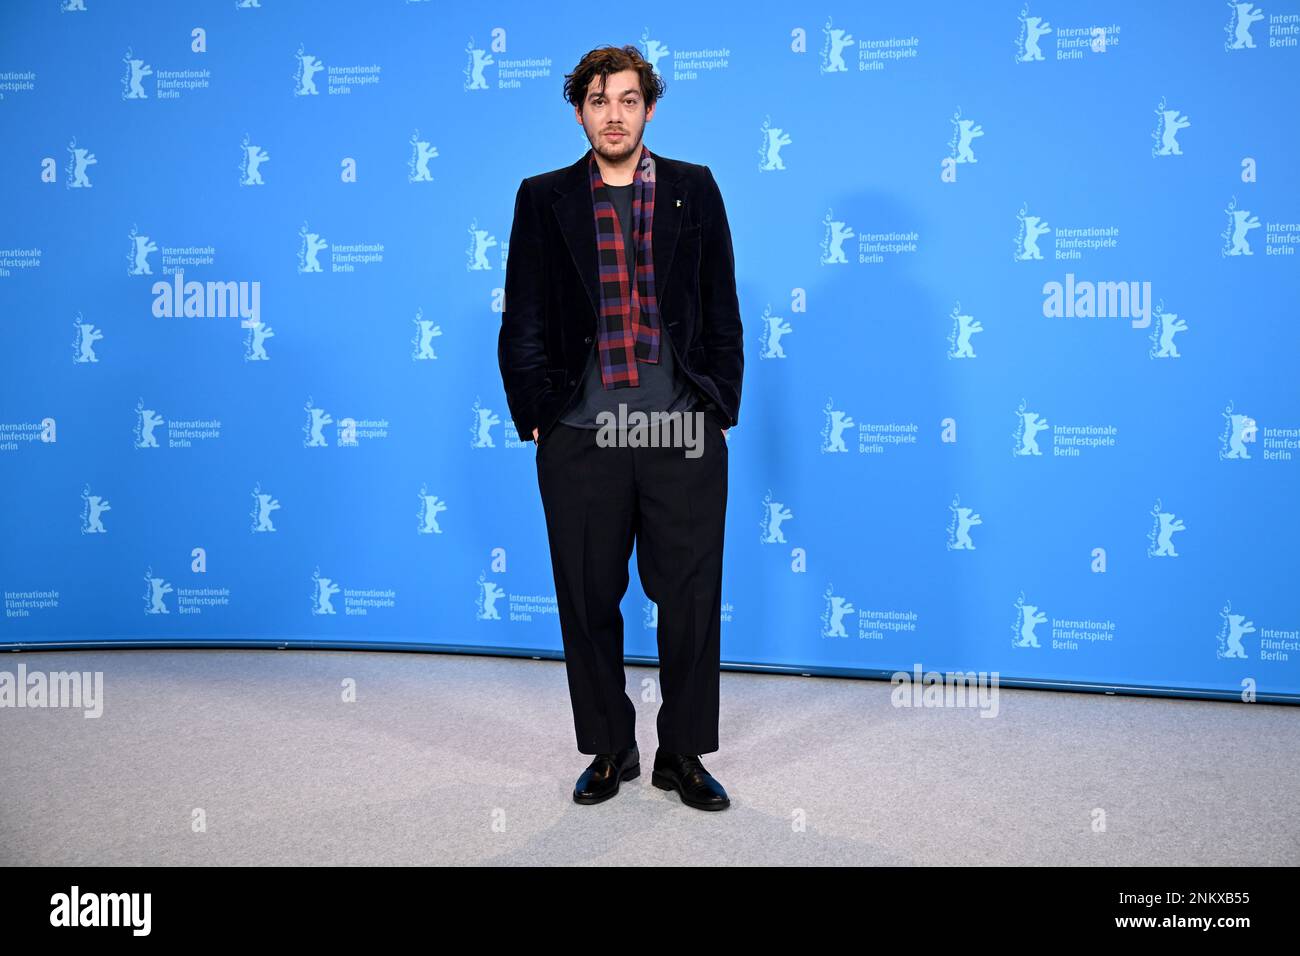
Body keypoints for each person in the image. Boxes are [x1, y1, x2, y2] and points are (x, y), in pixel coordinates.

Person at [497, 44, 744, 811]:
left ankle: (682, 754)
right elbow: (524, 315)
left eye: (629, 99)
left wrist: (719, 405)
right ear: (579, 111)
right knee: (587, 593)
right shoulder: (543, 198)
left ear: (650, 109)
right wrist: (536, 413)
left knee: (692, 597)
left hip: (680, 431)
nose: (614, 114)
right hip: (582, 433)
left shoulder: (693, 190)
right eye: (599, 100)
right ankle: (610, 748)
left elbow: (722, 306)